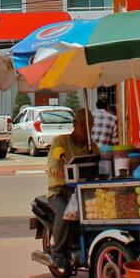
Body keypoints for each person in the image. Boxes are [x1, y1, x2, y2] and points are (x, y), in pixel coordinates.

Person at [45, 106, 98, 267]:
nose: (86, 128)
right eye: (82, 124)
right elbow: (54, 165)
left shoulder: (92, 147)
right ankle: (58, 252)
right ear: (74, 124)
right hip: (59, 192)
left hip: (83, 193)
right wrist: (61, 175)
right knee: (65, 213)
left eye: (90, 124)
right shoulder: (61, 142)